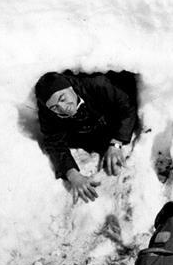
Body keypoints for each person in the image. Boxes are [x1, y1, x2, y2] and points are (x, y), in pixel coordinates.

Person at [35, 70, 139, 203]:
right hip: (84, 134)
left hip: (108, 119)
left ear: (70, 87)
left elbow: (127, 106)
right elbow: (54, 142)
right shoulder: (47, 113)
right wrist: (73, 175)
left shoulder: (97, 85)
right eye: (55, 107)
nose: (62, 108)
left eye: (63, 99)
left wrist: (117, 142)